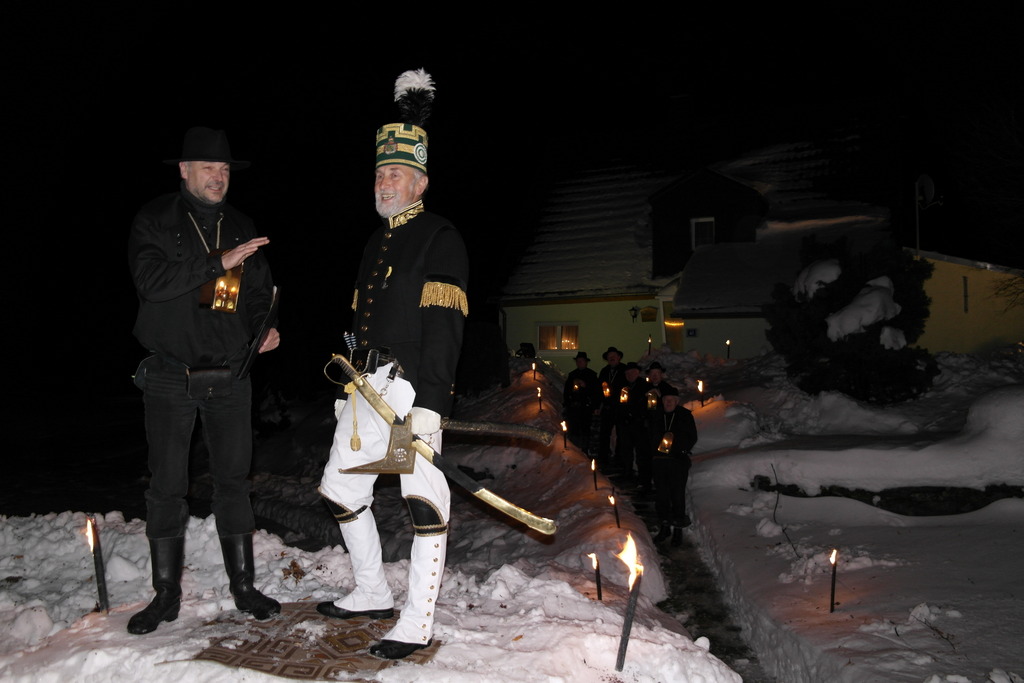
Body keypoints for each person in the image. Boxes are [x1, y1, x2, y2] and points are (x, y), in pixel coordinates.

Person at [317, 69, 469, 660]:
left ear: (421, 182)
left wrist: (433, 401)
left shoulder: (439, 236)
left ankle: (416, 621)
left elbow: (444, 325)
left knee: (423, 500)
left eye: (396, 173)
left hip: (409, 393)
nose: (384, 182)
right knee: (337, 487)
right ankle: (372, 590)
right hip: (366, 386)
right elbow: (361, 318)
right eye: (380, 173)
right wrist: (352, 374)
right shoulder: (373, 243)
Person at [127, 126, 281, 635]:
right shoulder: (154, 219)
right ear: (184, 171)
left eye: (225, 170)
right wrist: (218, 262)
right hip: (171, 374)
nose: (219, 177)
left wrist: (263, 329)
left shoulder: (241, 225)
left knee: (234, 483)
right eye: (209, 169)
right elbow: (151, 282)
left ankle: (243, 587)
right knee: (167, 487)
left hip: (231, 375)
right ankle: (165, 596)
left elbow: (258, 291)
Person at [647, 385, 698, 546]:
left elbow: (692, 437)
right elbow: (649, 435)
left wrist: (679, 449)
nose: (668, 403)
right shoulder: (657, 415)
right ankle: (665, 526)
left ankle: (677, 529)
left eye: (671, 400)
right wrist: (656, 450)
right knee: (662, 495)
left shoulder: (685, 416)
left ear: (676, 401)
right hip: (660, 461)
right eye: (665, 400)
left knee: (677, 495)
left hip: (677, 461)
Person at [596, 346, 627, 469]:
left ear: (619, 357)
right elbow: (599, 389)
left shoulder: (625, 370)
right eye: (609, 357)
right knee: (604, 434)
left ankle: (619, 460)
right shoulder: (604, 371)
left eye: (614, 356)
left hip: (620, 407)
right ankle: (603, 459)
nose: (612, 358)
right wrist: (598, 405)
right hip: (608, 407)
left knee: (621, 434)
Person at [563, 351, 599, 453]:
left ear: (586, 362)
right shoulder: (572, 375)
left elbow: (596, 392)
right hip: (574, 408)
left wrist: (586, 386)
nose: (580, 363)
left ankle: (585, 450)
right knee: (574, 429)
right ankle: (575, 449)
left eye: (581, 361)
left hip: (585, 408)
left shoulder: (592, 375)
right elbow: (566, 392)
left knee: (585, 429)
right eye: (578, 361)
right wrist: (567, 403)